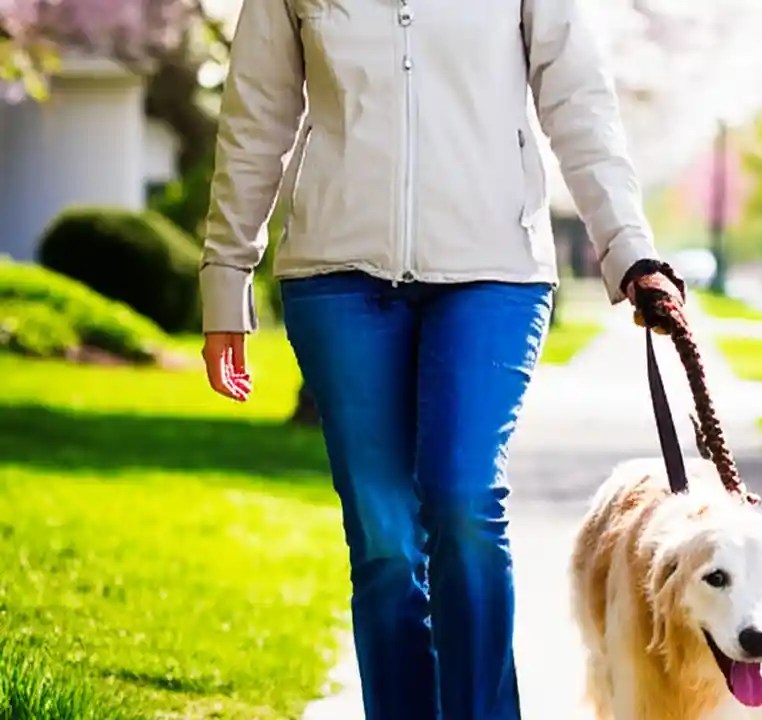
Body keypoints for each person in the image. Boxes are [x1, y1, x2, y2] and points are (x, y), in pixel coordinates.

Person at [197, 0, 684, 717]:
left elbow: (578, 101)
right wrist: (225, 276)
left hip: (493, 271)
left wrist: (629, 249)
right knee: (385, 539)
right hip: (337, 274)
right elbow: (255, 115)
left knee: (461, 500)